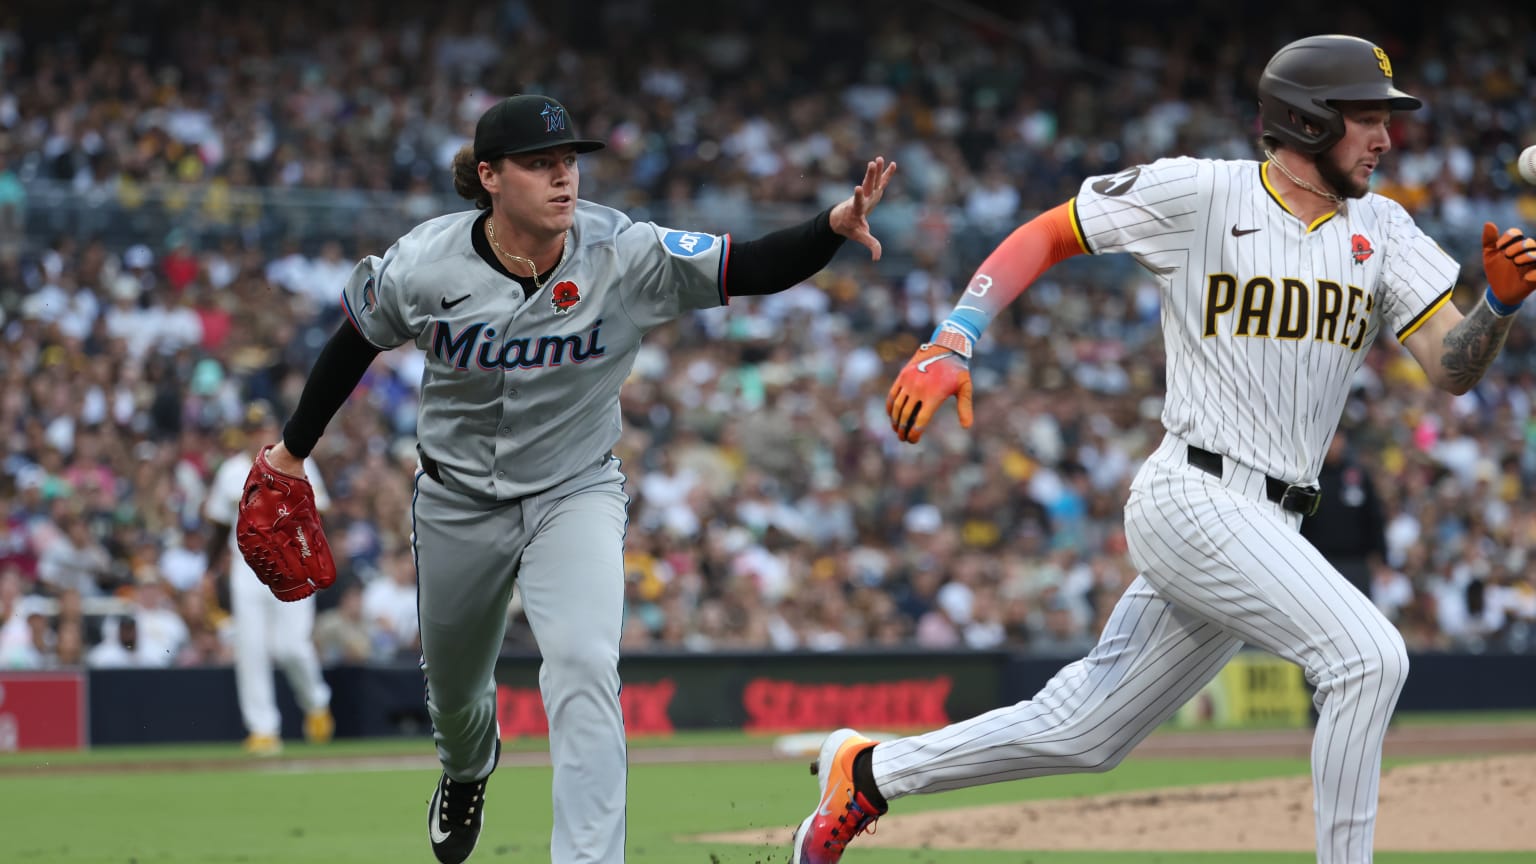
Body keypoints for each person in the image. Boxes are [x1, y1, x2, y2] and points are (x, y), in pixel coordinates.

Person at [792, 34, 1536, 864]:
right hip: (1193, 491)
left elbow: (1449, 366)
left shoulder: (1383, 229)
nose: (1385, 138)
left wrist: (1497, 310)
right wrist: (955, 333)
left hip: (1272, 522)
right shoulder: (1203, 193)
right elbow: (1046, 233)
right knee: (1367, 657)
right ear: (1308, 122)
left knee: (1086, 730)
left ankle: (870, 772)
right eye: (1366, 118)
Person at [246, 94, 895, 864]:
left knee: (586, 662)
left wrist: (829, 228)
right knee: (455, 696)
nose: (563, 179)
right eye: (539, 164)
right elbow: (355, 339)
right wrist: (291, 450)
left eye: (569, 162)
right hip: (455, 500)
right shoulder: (427, 263)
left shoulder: (622, 251)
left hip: (573, 490)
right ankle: (466, 769)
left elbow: (746, 264)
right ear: (489, 176)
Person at [206, 401, 335, 756]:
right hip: (248, 573)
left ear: (273, 429)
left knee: (291, 647)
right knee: (251, 651)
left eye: (262, 428)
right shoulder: (231, 471)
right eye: (251, 429)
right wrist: (209, 569)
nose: (257, 434)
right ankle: (262, 729)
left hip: (295, 566)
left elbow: (320, 514)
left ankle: (315, 702)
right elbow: (218, 526)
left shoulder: (296, 462)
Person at [1300, 429, 1387, 597]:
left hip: (1355, 562)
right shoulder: (1310, 477)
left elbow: (1373, 517)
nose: (1335, 445)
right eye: (1331, 439)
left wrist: (1383, 559)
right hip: (1318, 561)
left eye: (1338, 439)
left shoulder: (1357, 475)